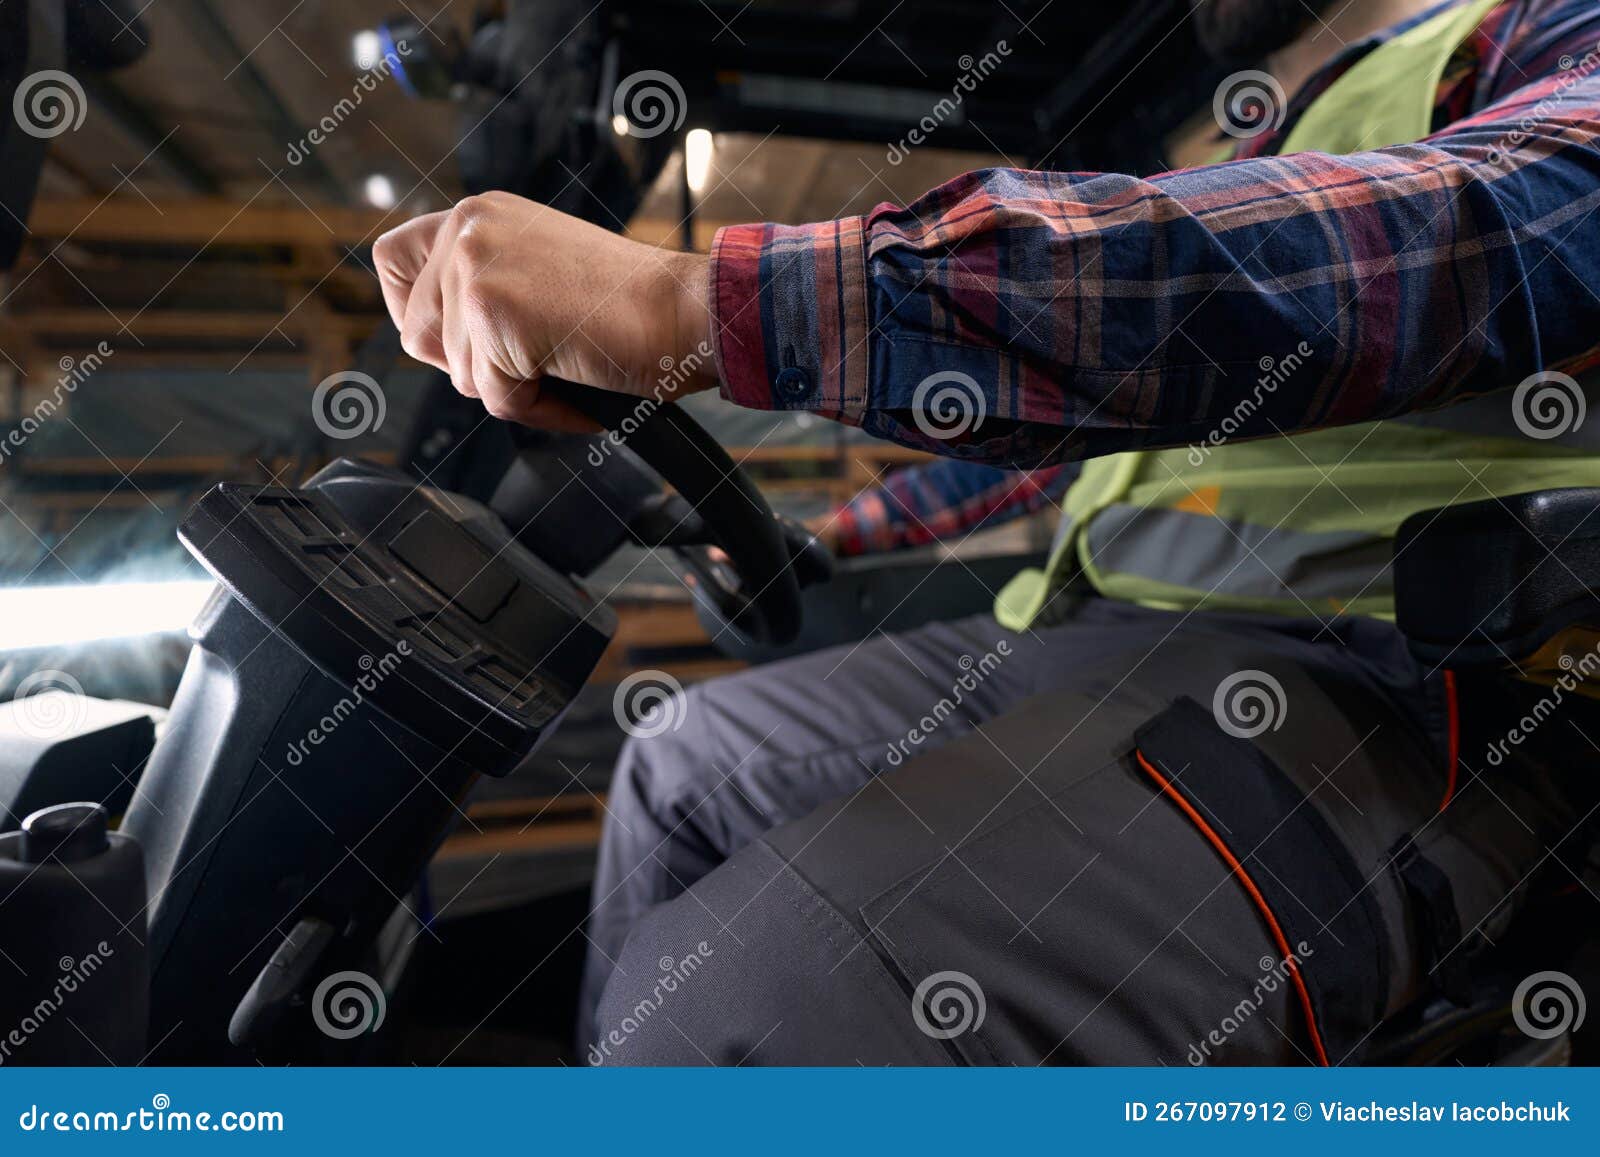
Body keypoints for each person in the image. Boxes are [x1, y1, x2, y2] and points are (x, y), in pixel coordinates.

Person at [375, 0, 1600, 1064]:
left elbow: (1467, 235)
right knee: (680, 754)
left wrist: (697, 301)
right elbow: (1077, 448)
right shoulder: (1262, 138)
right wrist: (826, 535)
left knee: (784, 986)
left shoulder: (1536, 40)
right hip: (1096, 628)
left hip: (1386, 669)